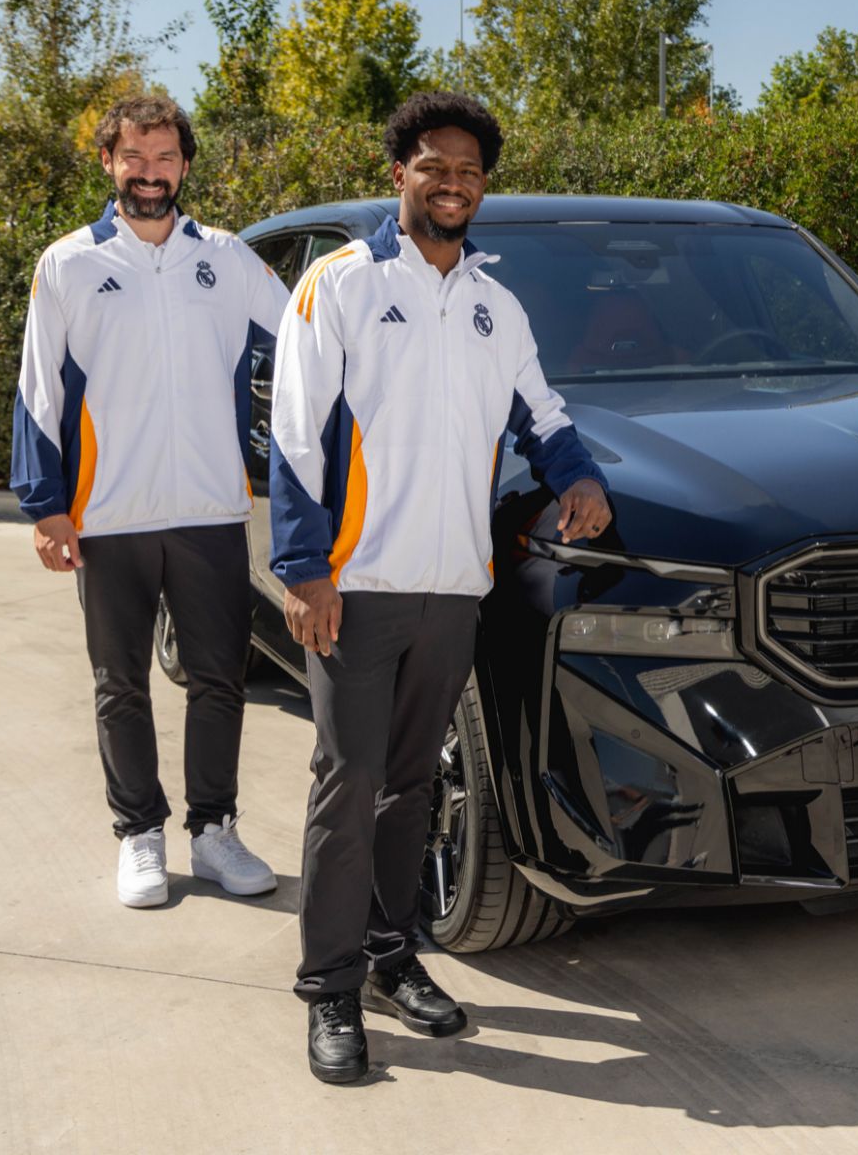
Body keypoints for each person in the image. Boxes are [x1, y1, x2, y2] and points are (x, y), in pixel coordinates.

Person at [268, 91, 611, 1084]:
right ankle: (330, 987)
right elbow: (295, 435)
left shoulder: (496, 305)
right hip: (357, 586)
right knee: (348, 783)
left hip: (454, 585)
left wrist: (579, 477)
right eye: (434, 166)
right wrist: (304, 570)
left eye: (468, 170)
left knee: (412, 787)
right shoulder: (340, 283)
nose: (452, 183)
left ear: (482, 186)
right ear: (400, 174)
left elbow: (543, 414)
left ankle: (390, 957)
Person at [10, 95, 286, 909]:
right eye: (134, 157)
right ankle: (139, 834)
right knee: (120, 682)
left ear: (185, 166)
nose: (150, 174)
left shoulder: (228, 258)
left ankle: (214, 831)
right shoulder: (68, 263)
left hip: (210, 509)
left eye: (165, 158)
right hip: (108, 514)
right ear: (109, 162)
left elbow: (310, 338)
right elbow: (37, 391)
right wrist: (44, 504)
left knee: (219, 680)